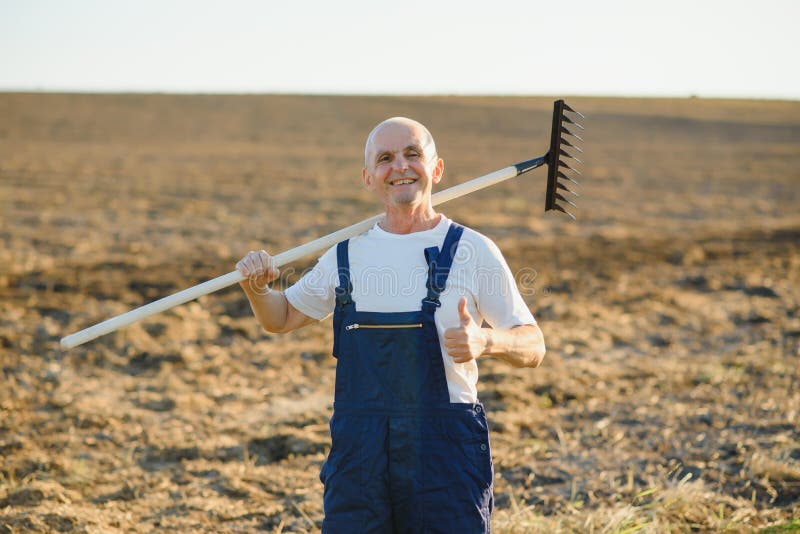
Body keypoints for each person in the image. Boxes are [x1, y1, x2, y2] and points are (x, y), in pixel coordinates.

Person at [236, 117, 546, 533]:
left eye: (412, 154)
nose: (399, 166)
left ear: (436, 169)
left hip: (445, 451)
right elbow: (283, 317)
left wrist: (485, 340)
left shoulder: (473, 251)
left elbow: (534, 345)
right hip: (359, 453)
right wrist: (257, 289)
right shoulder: (344, 256)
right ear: (369, 178)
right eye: (385, 158)